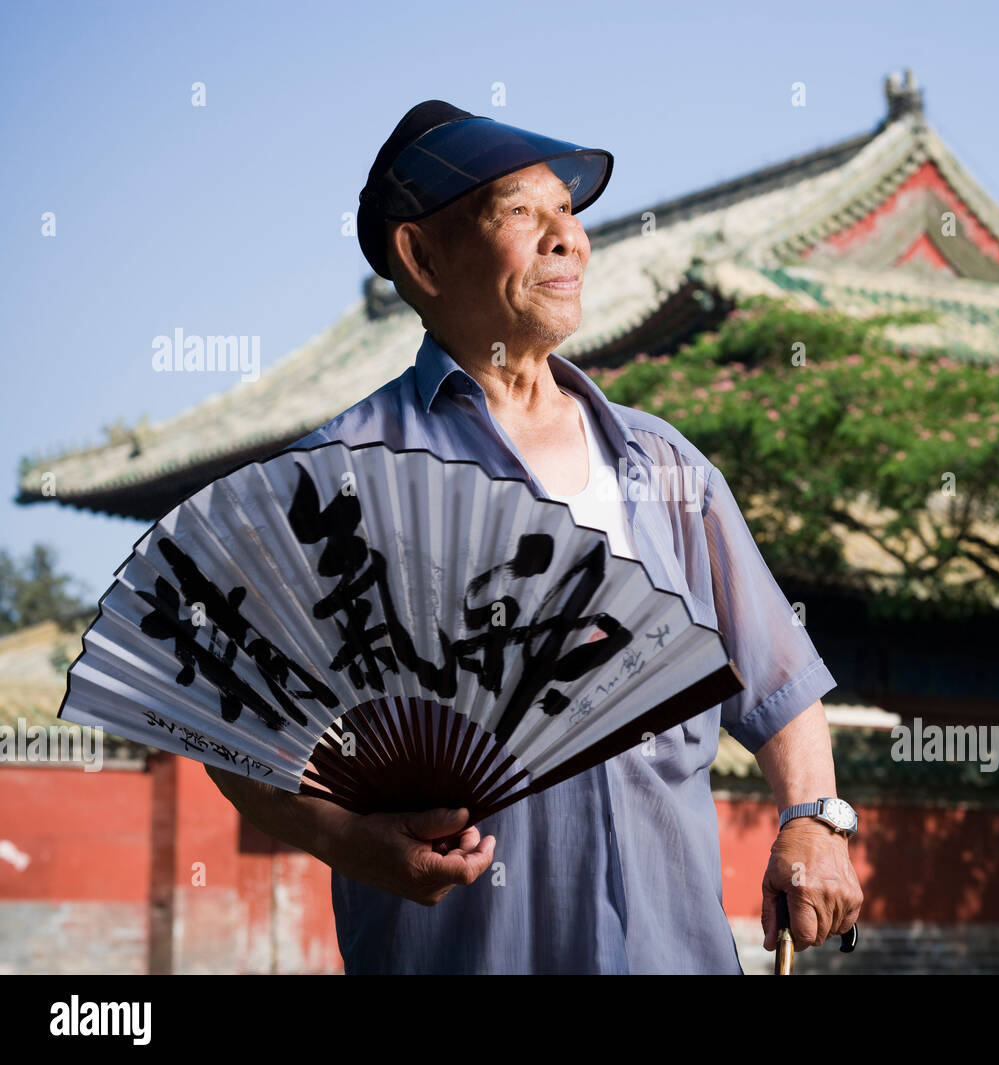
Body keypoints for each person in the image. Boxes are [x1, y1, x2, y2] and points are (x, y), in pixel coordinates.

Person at [206, 100, 862, 973]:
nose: (569, 238)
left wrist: (813, 820)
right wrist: (348, 841)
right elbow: (226, 717)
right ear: (422, 255)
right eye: (521, 211)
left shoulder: (662, 465)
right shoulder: (336, 478)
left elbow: (778, 678)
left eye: (570, 212)